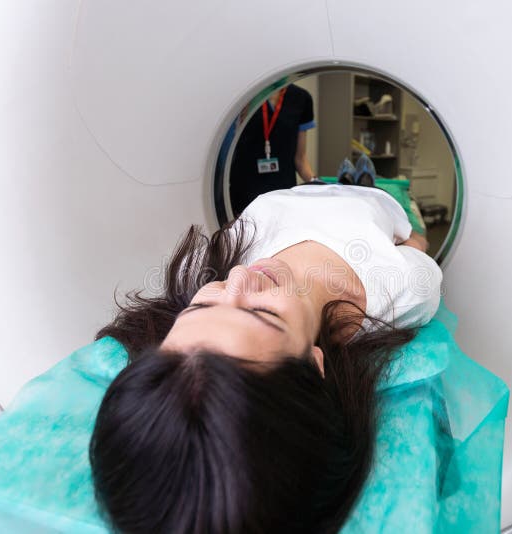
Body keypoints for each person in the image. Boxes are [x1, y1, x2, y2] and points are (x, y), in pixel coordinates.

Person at [89, 183, 441, 533]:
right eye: (264, 314)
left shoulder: (197, 271)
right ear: (315, 365)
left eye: (203, 305)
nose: (240, 275)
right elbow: (416, 247)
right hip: (378, 203)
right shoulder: (405, 288)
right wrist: (412, 236)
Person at [229, 84, 317, 214]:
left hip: (283, 196)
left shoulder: (301, 98)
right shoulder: (244, 94)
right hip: (244, 195)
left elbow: (300, 159)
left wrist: (317, 183)